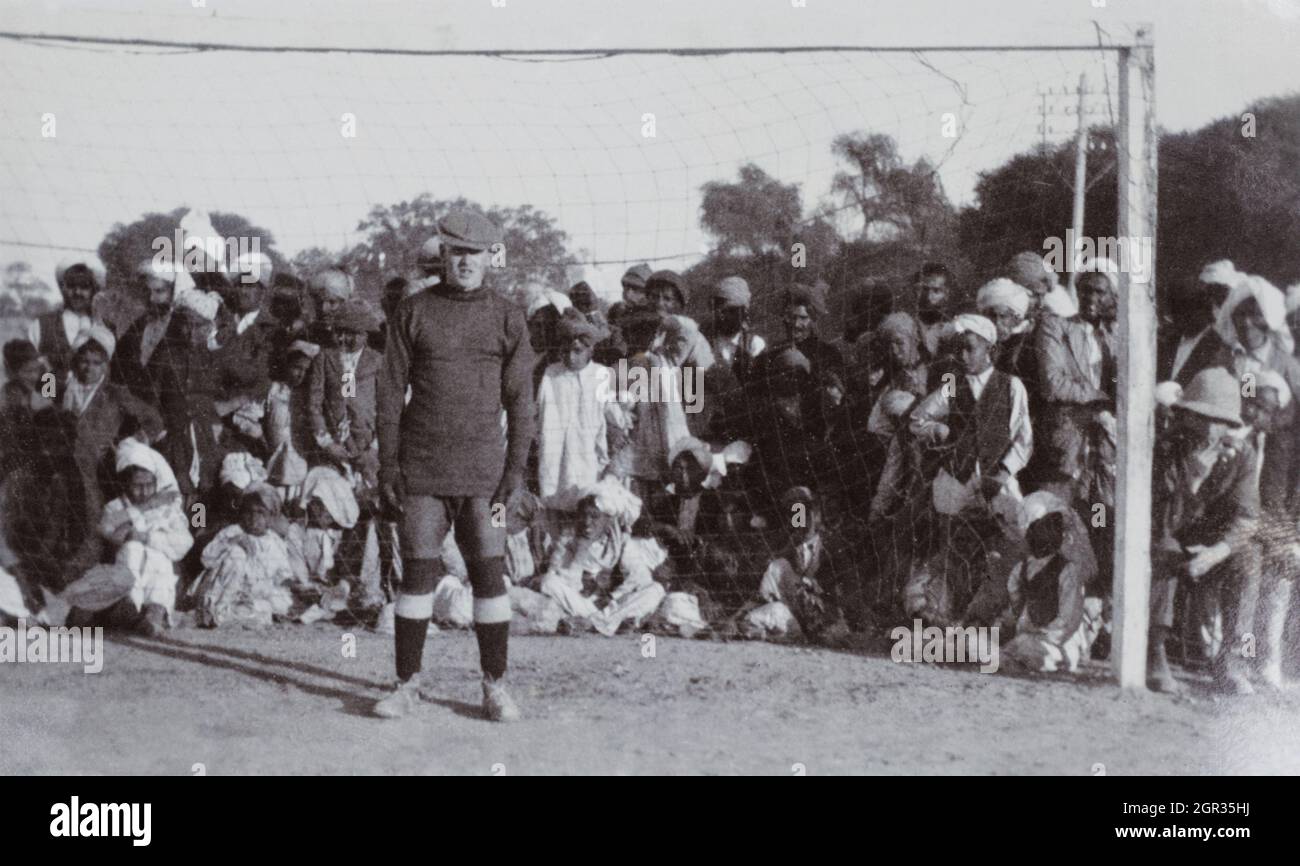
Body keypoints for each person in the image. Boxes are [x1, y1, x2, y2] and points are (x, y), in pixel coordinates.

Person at [375, 209, 535, 721]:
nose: (465, 262)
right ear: (442, 253)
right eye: (456, 252)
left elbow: (521, 402)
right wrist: (388, 465)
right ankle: (406, 684)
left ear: (491, 257)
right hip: (422, 470)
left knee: (490, 578)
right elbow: (387, 392)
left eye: (475, 253)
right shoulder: (412, 311)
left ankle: (495, 687)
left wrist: (514, 471)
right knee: (417, 575)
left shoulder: (508, 315)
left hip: (485, 476)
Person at [907, 314, 1033, 624]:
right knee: (954, 547)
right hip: (958, 479)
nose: (964, 356)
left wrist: (1002, 474)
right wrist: (937, 431)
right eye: (959, 349)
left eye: (970, 349)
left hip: (997, 480)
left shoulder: (1011, 386)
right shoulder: (953, 384)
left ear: (989, 348)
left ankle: (996, 615)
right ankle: (944, 614)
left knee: (1010, 545)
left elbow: (1023, 439)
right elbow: (917, 420)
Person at [1149, 368, 1261, 695]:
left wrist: (1215, 553)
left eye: (1220, 420)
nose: (1210, 429)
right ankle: (1153, 652)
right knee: (1164, 548)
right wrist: (1193, 478)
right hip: (1171, 536)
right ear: (1186, 416)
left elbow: (1247, 518)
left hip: (1209, 546)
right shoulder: (1167, 448)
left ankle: (1231, 660)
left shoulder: (1242, 456)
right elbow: (1162, 517)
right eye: (1201, 417)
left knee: (1249, 557)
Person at [1034, 258, 1119, 589]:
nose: (1091, 299)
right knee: (1053, 521)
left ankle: (1093, 614)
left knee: (1099, 523)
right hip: (1066, 445)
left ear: (1112, 296)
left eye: (1100, 292)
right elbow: (1052, 383)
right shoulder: (1055, 326)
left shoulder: (1114, 338)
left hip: (1102, 453)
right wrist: (1100, 398)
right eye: (1084, 290)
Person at [999, 491, 1103, 674]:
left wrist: (1043, 636)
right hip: (1034, 631)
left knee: (1038, 652)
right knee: (1015, 644)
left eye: (1055, 526)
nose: (1054, 532)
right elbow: (1017, 602)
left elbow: (1069, 616)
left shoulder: (1069, 563)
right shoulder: (1025, 566)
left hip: (1065, 634)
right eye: (1043, 527)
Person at [97, 439, 193, 636]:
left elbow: (185, 542)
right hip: (127, 573)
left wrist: (149, 538)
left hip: (162, 571)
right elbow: (107, 530)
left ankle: (153, 616)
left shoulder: (167, 508)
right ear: (126, 484)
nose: (144, 491)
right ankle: (130, 607)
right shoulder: (116, 507)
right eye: (137, 486)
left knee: (159, 560)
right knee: (133, 549)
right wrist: (136, 519)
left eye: (149, 485)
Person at [536, 309, 626, 505]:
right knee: (555, 497)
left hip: (588, 451)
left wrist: (616, 431)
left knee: (587, 499)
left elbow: (613, 413)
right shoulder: (551, 374)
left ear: (590, 350)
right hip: (557, 451)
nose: (571, 357)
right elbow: (541, 412)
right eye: (566, 351)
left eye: (577, 352)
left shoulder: (600, 374)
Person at [190, 484, 297, 628]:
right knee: (236, 554)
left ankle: (233, 616)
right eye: (249, 512)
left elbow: (282, 575)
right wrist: (234, 542)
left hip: (253, 592)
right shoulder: (233, 532)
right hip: (223, 590)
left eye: (261, 513)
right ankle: (215, 610)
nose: (254, 518)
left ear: (271, 517)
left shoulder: (275, 541)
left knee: (276, 603)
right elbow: (207, 559)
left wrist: (294, 587)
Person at [308, 297, 383, 497]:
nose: (343, 339)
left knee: (370, 496)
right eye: (339, 332)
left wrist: (374, 448)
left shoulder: (377, 362)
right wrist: (326, 443)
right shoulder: (324, 358)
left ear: (365, 335)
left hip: (369, 446)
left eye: (351, 334)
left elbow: (389, 408)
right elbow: (314, 404)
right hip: (335, 444)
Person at [111, 259, 181, 409]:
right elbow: (117, 369)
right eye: (146, 291)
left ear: (172, 293)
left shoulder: (182, 328)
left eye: (159, 291)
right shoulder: (137, 326)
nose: (151, 299)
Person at [28, 257, 110, 381]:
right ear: (63, 288)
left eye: (84, 287)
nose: (77, 292)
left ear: (93, 290)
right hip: (52, 398)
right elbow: (29, 370)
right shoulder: (41, 325)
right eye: (71, 286)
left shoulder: (106, 327)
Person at [1158, 260, 1237, 385]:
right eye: (1176, 312)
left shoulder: (1222, 347)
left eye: (1187, 309)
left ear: (1205, 308)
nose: (1178, 319)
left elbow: (1246, 392)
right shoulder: (1166, 341)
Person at [704, 276, 765, 380]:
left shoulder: (754, 344)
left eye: (732, 311)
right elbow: (694, 389)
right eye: (721, 311)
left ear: (743, 312)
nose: (724, 317)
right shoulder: (704, 342)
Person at [1004, 251, 1076, 320]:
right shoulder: (1011, 297)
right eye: (1034, 295)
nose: (1040, 304)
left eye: (1040, 295)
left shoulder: (1055, 299)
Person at [913, 263, 955, 361]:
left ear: (946, 294)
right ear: (915, 291)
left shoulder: (954, 329)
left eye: (936, 291)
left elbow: (951, 374)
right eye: (924, 290)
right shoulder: (907, 325)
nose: (928, 297)